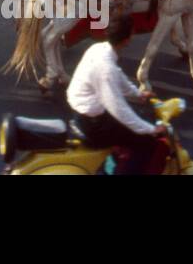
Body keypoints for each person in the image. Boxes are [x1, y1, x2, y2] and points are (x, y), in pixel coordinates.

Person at [65, 15, 167, 175]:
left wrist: (138, 95)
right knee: (147, 143)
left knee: (136, 120)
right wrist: (151, 130)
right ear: (127, 39)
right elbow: (118, 109)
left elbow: (119, 77)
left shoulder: (98, 49)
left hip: (83, 114)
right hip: (93, 125)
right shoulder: (106, 68)